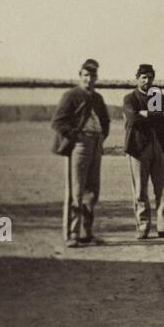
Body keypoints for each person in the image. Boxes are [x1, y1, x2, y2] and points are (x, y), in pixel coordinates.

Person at [51, 58, 110, 248]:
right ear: (80, 76)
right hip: (80, 145)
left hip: (96, 143)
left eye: (93, 75)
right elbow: (58, 122)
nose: (89, 79)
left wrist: (100, 138)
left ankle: (87, 232)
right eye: (86, 75)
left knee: (92, 192)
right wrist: (76, 136)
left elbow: (106, 122)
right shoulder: (71, 95)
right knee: (76, 191)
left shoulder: (98, 98)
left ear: (97, 77)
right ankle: (72, 234)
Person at [122, 63, 164, 240]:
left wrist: (147, 114)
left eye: (150, 77)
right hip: (138, 147)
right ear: (137, 78)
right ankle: (143, 227)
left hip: (158, 145)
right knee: (140, 190)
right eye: (143, 77)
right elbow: (133, 119)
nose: (147, 80)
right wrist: (149, 115)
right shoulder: (131, 98)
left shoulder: (156, 95)